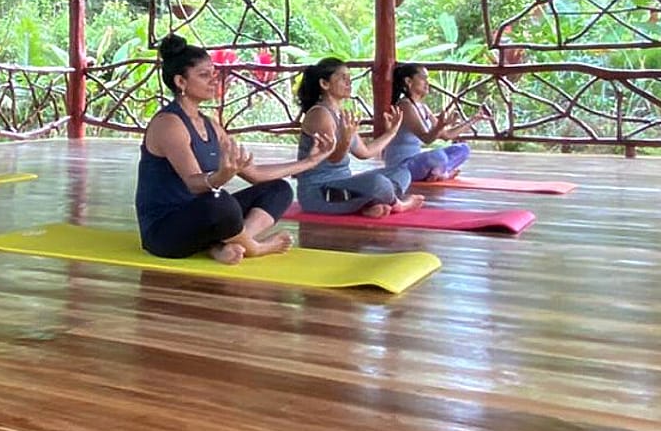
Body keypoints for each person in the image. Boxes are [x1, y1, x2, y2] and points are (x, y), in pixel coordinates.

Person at [135, 35, 334, 265]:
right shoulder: (169, 124)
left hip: (202, 216)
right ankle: (255, 247)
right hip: (164, 232)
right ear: (181, 82)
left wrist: (311, 162)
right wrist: (220, 177)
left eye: (213, 73)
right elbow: (193, 183)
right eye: (204, 75)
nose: (213, 80)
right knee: (221, 203)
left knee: (279, 189)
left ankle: (229, 243)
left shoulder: (211, 125)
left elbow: (255, 174)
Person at [294, 57, 423, 218]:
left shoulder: (341, 115)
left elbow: (365, 152)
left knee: (402, 172)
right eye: (342, 78)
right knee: (378, 183)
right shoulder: (320, 115)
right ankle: (397, 204)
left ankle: (371, 204)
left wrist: (391, 132)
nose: (349, 82)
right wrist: (346, 139)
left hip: (343, 184)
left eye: (349, 78)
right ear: (324, 84)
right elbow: (333, 158)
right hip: (320, 193)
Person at [383, 63, 487, 181]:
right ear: (408, 81)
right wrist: (440, 126)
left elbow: (447, 135)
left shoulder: (423, 107)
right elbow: (426, 139)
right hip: (401, 166)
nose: (427, 83)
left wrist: (474, 119)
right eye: (423, 78)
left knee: (463, 149)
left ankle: (437, 172)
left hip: (417, 161)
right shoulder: (405, 106)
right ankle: (442, 172)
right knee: (437, 156)